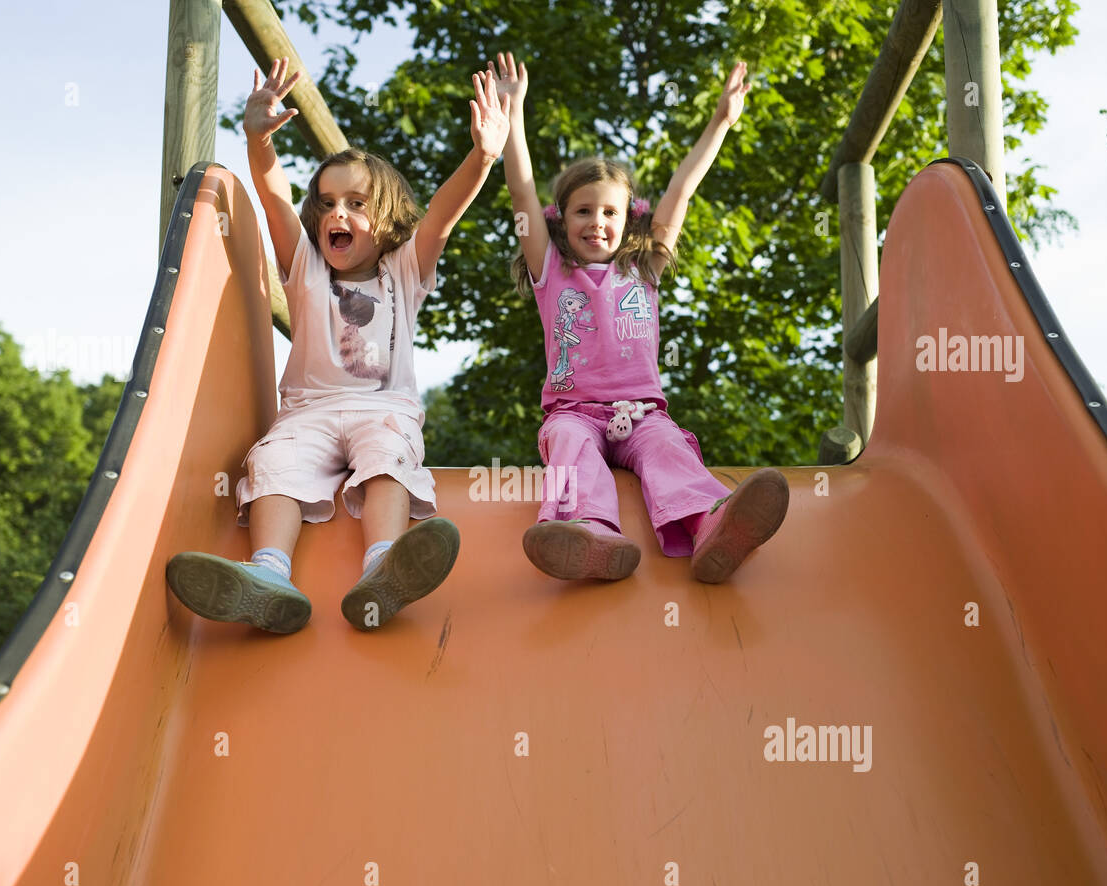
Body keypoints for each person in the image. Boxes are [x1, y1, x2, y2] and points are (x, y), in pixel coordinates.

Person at [166, 59, 509, 631]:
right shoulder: (305, 268)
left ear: (389, 217)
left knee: (387, 462)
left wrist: (484, 156)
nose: (337, 214)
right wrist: (257, 139)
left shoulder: (404, 270)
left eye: (355, 203)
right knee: (274, 462)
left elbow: (444, 216)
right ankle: (269, 576)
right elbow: (274, 197)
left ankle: (384, 568)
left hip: (385, 411)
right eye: (326, 204)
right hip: (308, 414)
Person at [491, 51, 789, 584]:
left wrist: (720, 121)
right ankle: (589, 533)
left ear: (629, 220)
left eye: (610, 212)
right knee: (571, 449)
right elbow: (522, 191)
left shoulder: (642, 268)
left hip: (642, 413)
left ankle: (711, 528)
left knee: (669, 450)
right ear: (562, 221)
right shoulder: (551, 268)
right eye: (584, 210)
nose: (597, 222)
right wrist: (513, 117)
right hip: (574, 412)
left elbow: (681, 192)